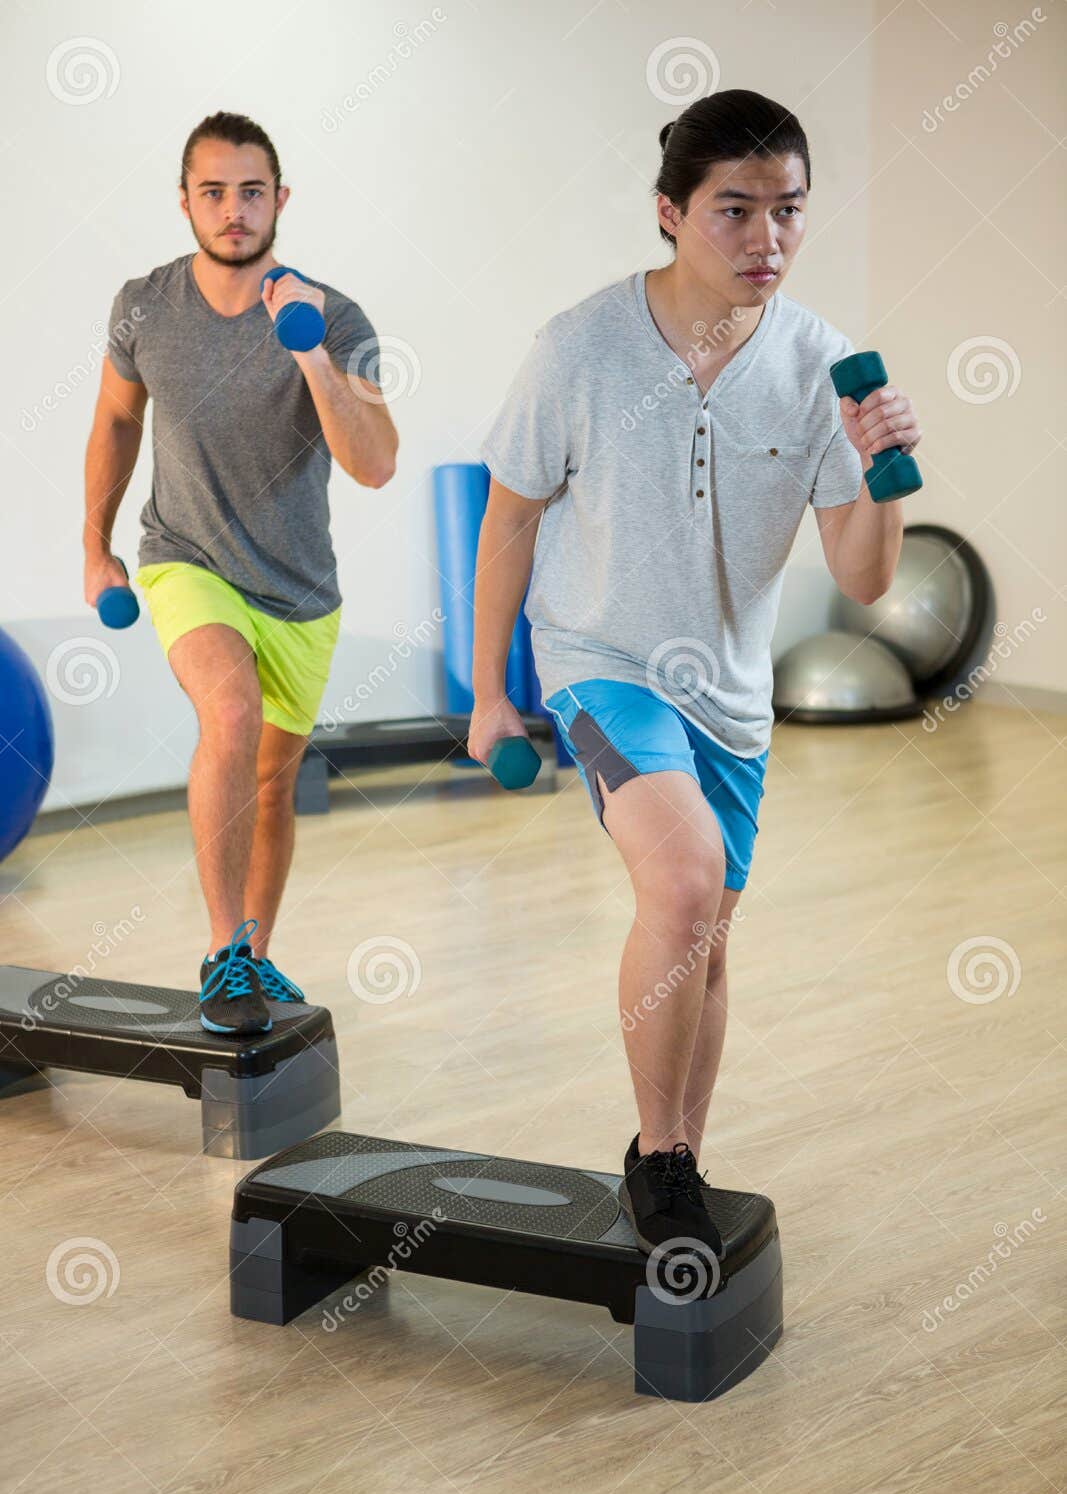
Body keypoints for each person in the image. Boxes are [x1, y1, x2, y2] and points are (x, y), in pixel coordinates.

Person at [469, 89, 921, 1265]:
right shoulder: (580, 346)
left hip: (730, 696)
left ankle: (676, 1149)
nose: (763, 239)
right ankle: (657, 1165)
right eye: (733, 210)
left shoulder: (822, 365)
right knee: (681, 882)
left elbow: (864, 582)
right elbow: (510, 518)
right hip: (600, 663)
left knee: (705, 934)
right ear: (670, 213)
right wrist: (487, 691)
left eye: (787, 211)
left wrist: (887, 474)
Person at [83, 111, 397, 1035]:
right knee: (229, 712)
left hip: (300, 588)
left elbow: (375, 462)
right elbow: (114, 422)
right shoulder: (143, 304)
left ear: (279, 200)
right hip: (184, 556)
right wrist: (94, 543)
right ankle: (224, 952)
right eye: (212, 191)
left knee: (271, 782)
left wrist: (307, 352)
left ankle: (255, 954)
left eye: (250, 191)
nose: (232, 210)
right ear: (185, 201)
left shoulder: (336, 316)